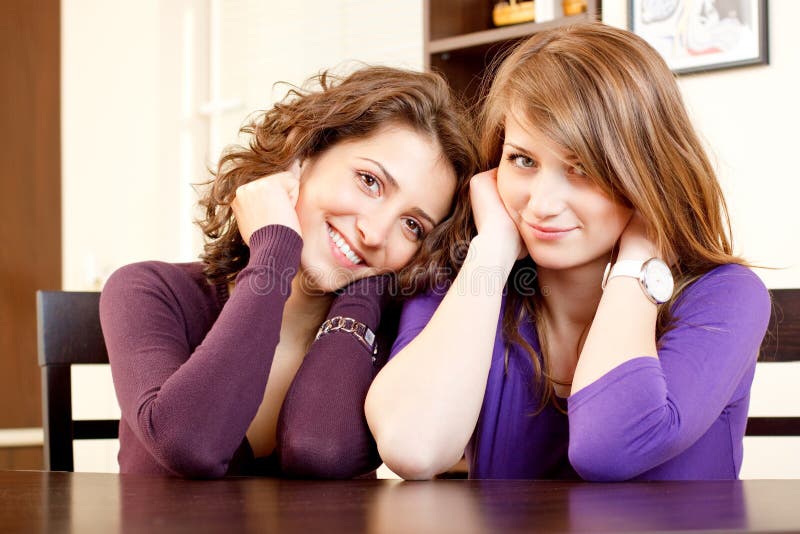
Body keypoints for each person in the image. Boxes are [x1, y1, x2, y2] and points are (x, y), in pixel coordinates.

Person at [365, 23, 770, 481]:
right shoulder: (467, 288)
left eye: (581, 169)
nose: (541, 204)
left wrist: (638, 261)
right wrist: (494, 250)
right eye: (522, 160)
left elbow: (610, 446)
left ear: (645, 174)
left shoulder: (726, 298)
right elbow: (412, 446)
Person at [99, 65, 479, 478]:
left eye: (412, 226)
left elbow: (318, 447)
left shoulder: (391, 341)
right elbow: (190, 442)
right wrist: (275, 251)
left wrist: (364, 291)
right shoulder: (148, 291)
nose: (373, 232)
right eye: (369, 181)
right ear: (304, 152)